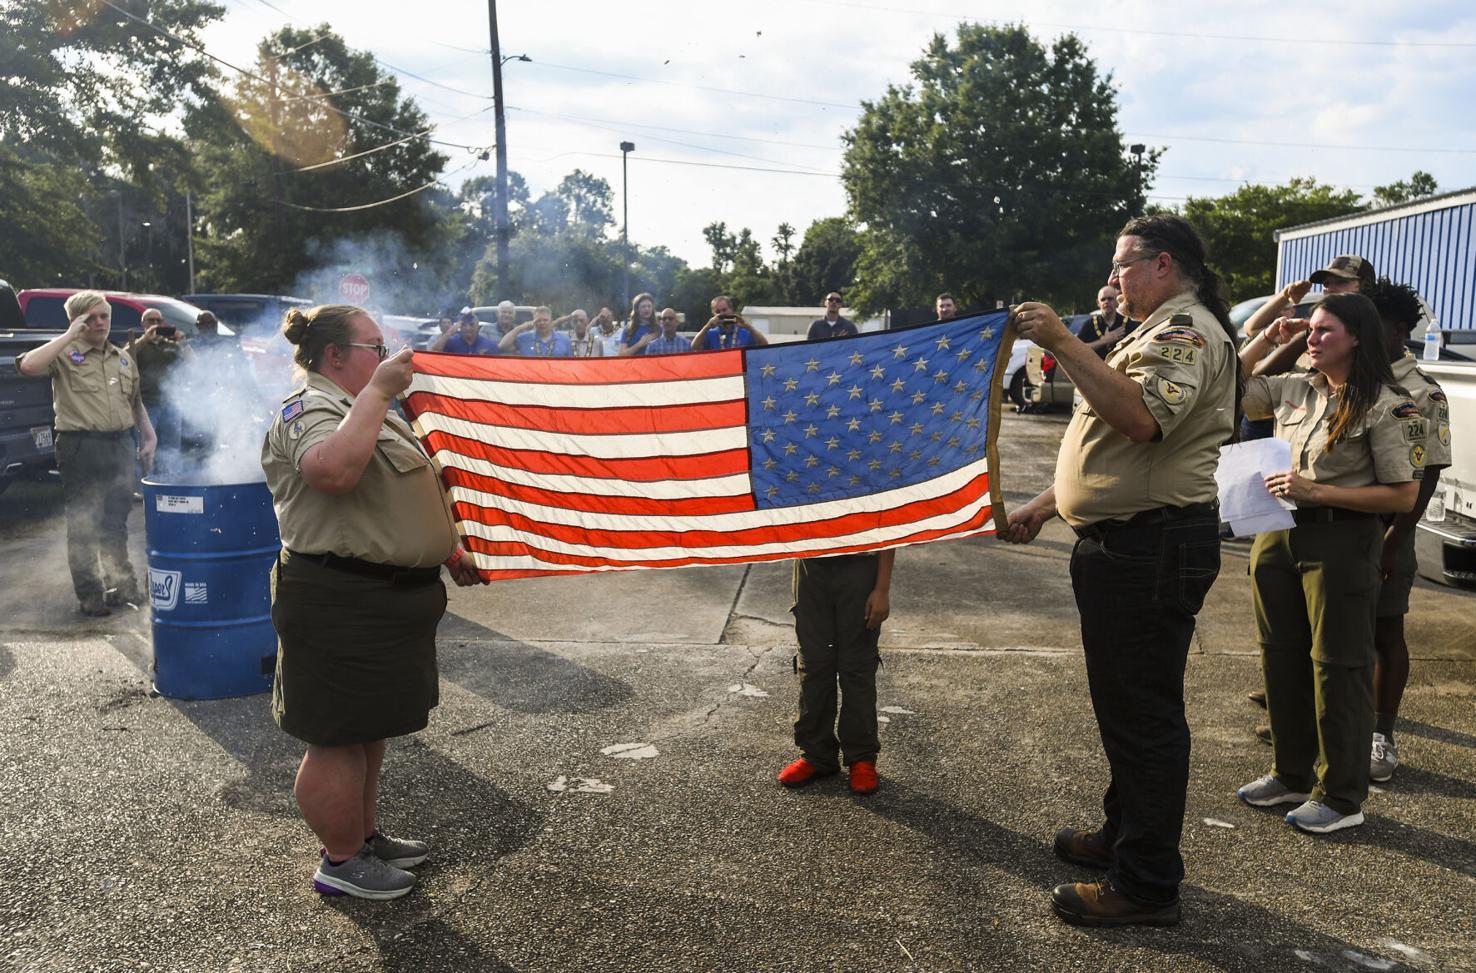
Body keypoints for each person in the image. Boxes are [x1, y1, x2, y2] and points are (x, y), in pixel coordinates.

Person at [1004, 214, 1239, 928]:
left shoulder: (1185, 332)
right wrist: (1048, 503)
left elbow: (1140, 419)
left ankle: (1146, 883)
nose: (1112, 279)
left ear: (1163, 264)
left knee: (1143, 717)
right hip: (1128, 541)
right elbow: (1109, 449)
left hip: (1150, 546)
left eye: (1122, 265)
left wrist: (1063, 341)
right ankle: (1124, 834)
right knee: (1124, 708)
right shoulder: (1152, 330)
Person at [261, 303, 485, 901]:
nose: (387, 358)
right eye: (375, 348)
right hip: (339, 597)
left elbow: (397, 495)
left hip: (384, 598)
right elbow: (332, 473)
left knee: (367, 730)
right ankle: (340, 862)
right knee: (337, 735)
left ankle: (360, 838)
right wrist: (381, 390)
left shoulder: (365, 407)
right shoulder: (310, 406)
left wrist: (446, 549)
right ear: (335, 355)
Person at [1234, 293, 1425, 836]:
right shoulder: (1296, 387)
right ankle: (1291, 773)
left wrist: (1317, 491)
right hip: (1278, 531)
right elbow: (1226, 388)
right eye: (1310, 329)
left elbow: (1403, 495)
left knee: (1339, 666)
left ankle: (1341, 795)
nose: (1311, 338)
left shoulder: (1389, 404)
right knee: (1281, 656)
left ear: (1357, 337)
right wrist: (1270, 337)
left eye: (1324, 330)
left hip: (1341, 540)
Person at [776, 316, 894, 797]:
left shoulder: (871, 442)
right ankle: (817, 754)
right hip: (811, 567)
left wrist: (882, 588)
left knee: (857, 666)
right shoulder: (800, 435)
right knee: (814, 665)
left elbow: (889, 520)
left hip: (860, 568)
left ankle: (861, 756)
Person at [16, 291, 157, 616]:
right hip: (80, 447)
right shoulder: (65, 353)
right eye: (90, 318)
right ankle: (91, 594)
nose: (99, 323)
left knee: (116, 522)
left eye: (104, 316)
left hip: (120, 445)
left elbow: (135, 402)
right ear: (76, 320)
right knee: (84, 524)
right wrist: (69, 335)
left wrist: (149, 435)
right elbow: (28, 365)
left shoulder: (122, 358)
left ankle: (121, 584)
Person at [1369, 280, 1451, 782]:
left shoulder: (1422, 391)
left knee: (1385, 632)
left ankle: (1380, 734)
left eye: (1370, 323)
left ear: (1399, 331)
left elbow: (1430, 472)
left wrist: (1396, 540)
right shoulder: (1346, 376)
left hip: (1386, 530)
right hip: (1338, 527)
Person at [126, 308, 189, 475]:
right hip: (146, 404)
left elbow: (193, 364)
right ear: (143, 323)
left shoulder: (171, 346)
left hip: (171, 403)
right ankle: (144, 483)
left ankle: (169, 482)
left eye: (158, 321)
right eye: (151, 320)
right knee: (145, 448)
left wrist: (183, 342)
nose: (155, 324)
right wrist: (144, 339)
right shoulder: (138, 345)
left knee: (171, 449)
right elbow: (122, 358)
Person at [691, 294, 769, 351]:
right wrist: (707, 327)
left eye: (724, 310)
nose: (722, 314)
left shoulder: (745, 332)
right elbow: (694, 347)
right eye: (718, 311)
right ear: (713, 314)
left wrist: (748, 327)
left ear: (731, 309)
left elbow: (765, 345)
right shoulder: (711, 333)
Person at [1077, 285, 1134, 358]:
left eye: (1110, 299)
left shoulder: (1128, 323)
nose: (1106, 302)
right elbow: (1078, 349)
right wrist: (1103, 341)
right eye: (1103, 299)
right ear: (1098, 302)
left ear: (1117, 301)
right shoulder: (1089, 325)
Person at [500, 305, 573, 357]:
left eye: (545, 320)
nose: (542, 323)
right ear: (533, 322)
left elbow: (571, 364)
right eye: (538, 320)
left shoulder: (565, 340)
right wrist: (520, 328)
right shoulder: (524, 338)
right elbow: (502, 346)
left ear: (551, 321)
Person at [430, 309, 497, 356]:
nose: (467, 328)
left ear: (477, 326)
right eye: (464, 325)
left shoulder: (488, 344)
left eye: (471, 325)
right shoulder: (452, 341)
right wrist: (450, 332)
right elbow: (434, 352)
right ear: (460, 326)